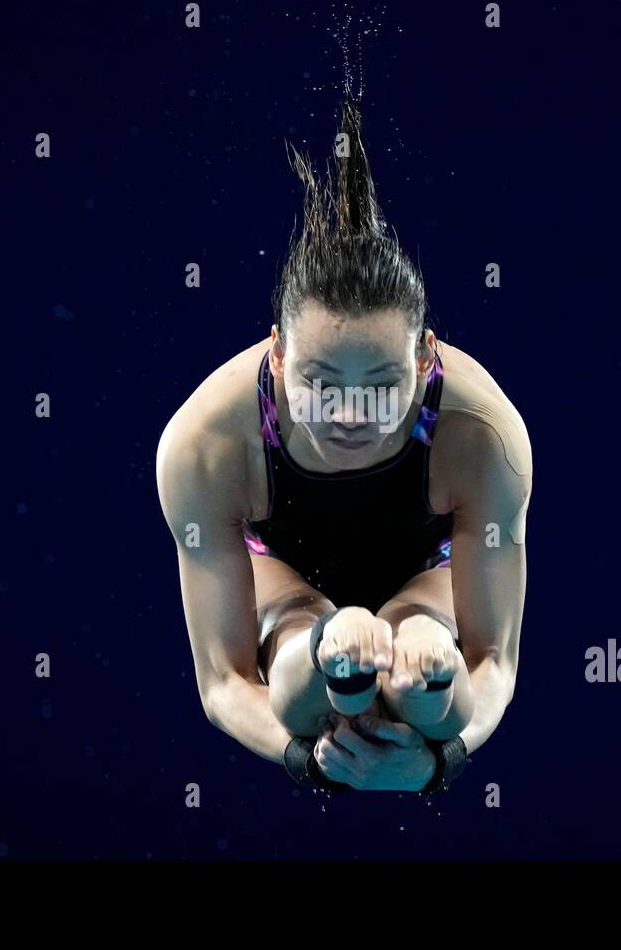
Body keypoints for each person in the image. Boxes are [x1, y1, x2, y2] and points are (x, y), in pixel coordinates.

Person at [156, 95, 532, 793]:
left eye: (385, 383)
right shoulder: (206, 442)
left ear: (425, 362)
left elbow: (495, 662)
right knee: (299, 631)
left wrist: (438, 759)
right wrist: (308, 756)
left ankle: (397, 651)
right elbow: (224, 681)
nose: (351, 413)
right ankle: (328, 649)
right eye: (320, 381)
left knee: (423, 639)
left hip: (428, 576)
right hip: (280, 575)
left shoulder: (483, 436)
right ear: (276, 354)